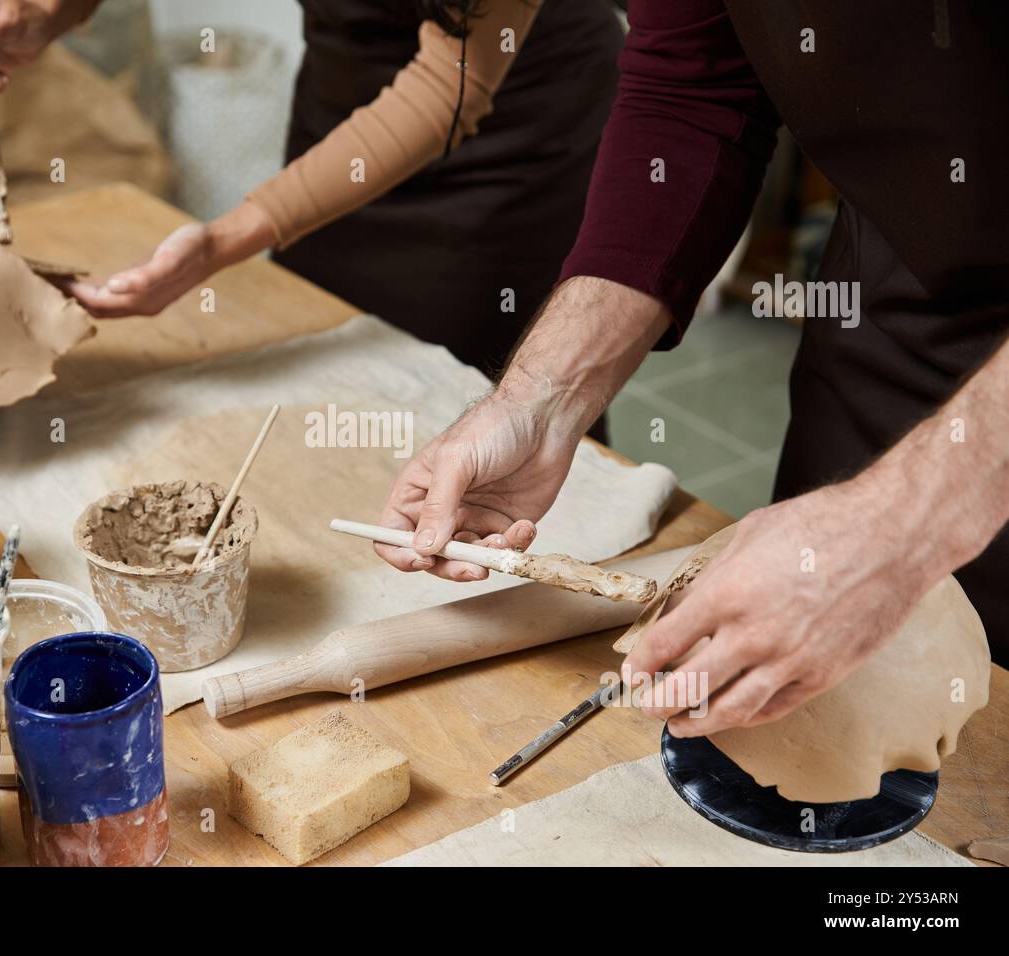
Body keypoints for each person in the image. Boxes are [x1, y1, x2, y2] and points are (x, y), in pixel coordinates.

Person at [375, 0, 1009, 737]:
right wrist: (541, 398)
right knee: (802, 732)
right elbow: (694, 91)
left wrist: (899, 525)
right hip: (898, 297)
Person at [0, 0, 623, 377]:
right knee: (320, 362)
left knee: (470, 395)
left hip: (511, 129)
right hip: (346, 96)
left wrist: (224, 240)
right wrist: (43, 12)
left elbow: (451, 85)